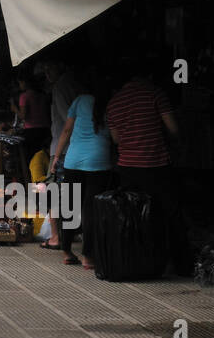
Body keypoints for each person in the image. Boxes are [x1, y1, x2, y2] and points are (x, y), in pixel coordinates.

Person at [106, 64, 188, 274]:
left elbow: (116, 139)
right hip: (156, 165)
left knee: (134, 216)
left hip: (127, 168)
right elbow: (174, 128)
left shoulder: (114, 102)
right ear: (148, 75)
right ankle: (179, 265)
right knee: (169, 214)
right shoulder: (155, 94)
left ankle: (137, 261)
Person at [49, 72, 115, 268]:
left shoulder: (80, 100)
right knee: (90, 209)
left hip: (73, 160)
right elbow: (114, 136)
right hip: (99, 161)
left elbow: (66, 131)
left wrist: (57, 156)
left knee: (70, 206)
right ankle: (88, 256)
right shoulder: (110, 104)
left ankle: (68, 252)